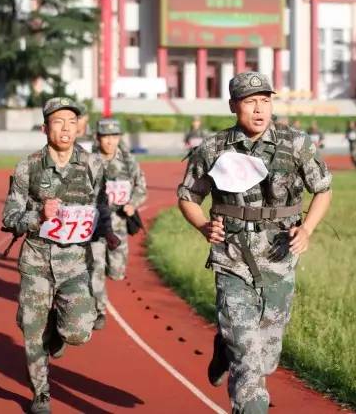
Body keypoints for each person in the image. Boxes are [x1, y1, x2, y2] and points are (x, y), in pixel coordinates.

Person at [177, 72, 332, 414]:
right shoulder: (213, 148)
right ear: (233, 106)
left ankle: (225, 345)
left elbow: (323, 190)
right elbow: (188, 196)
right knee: (247, 360)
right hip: (232, 259)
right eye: (250, 102)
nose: (259, 109)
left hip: (279, 259)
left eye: (265, 100)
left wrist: (307, 229)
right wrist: (203, 226)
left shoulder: (296, 143)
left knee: (266, 359)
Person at [1, 97, 114, 414]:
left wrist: (108, 231)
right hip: (36, 262)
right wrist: (38, 215)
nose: (65, 128)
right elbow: (9, 218)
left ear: (79, 128)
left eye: (71, 122)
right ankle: (41, 394)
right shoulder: (28, 166)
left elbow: (101, 207)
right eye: (58, 122)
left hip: (76, 264)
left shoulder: (93, 165)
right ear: (44, 128)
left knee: (78, 333)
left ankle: (59, 329)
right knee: (32, 331)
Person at [90, 118, 148, 330]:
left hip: (120, 224)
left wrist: (133, 204)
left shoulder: (128, 161)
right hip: (95, 224)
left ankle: (102, 282)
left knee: (116, 272)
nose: (109, 141)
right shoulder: (89, 161)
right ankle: (99, 310)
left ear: (119, 138)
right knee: (95, 267)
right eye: (105, 137)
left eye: (114, 136)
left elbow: (141, 187)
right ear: (98, 138)